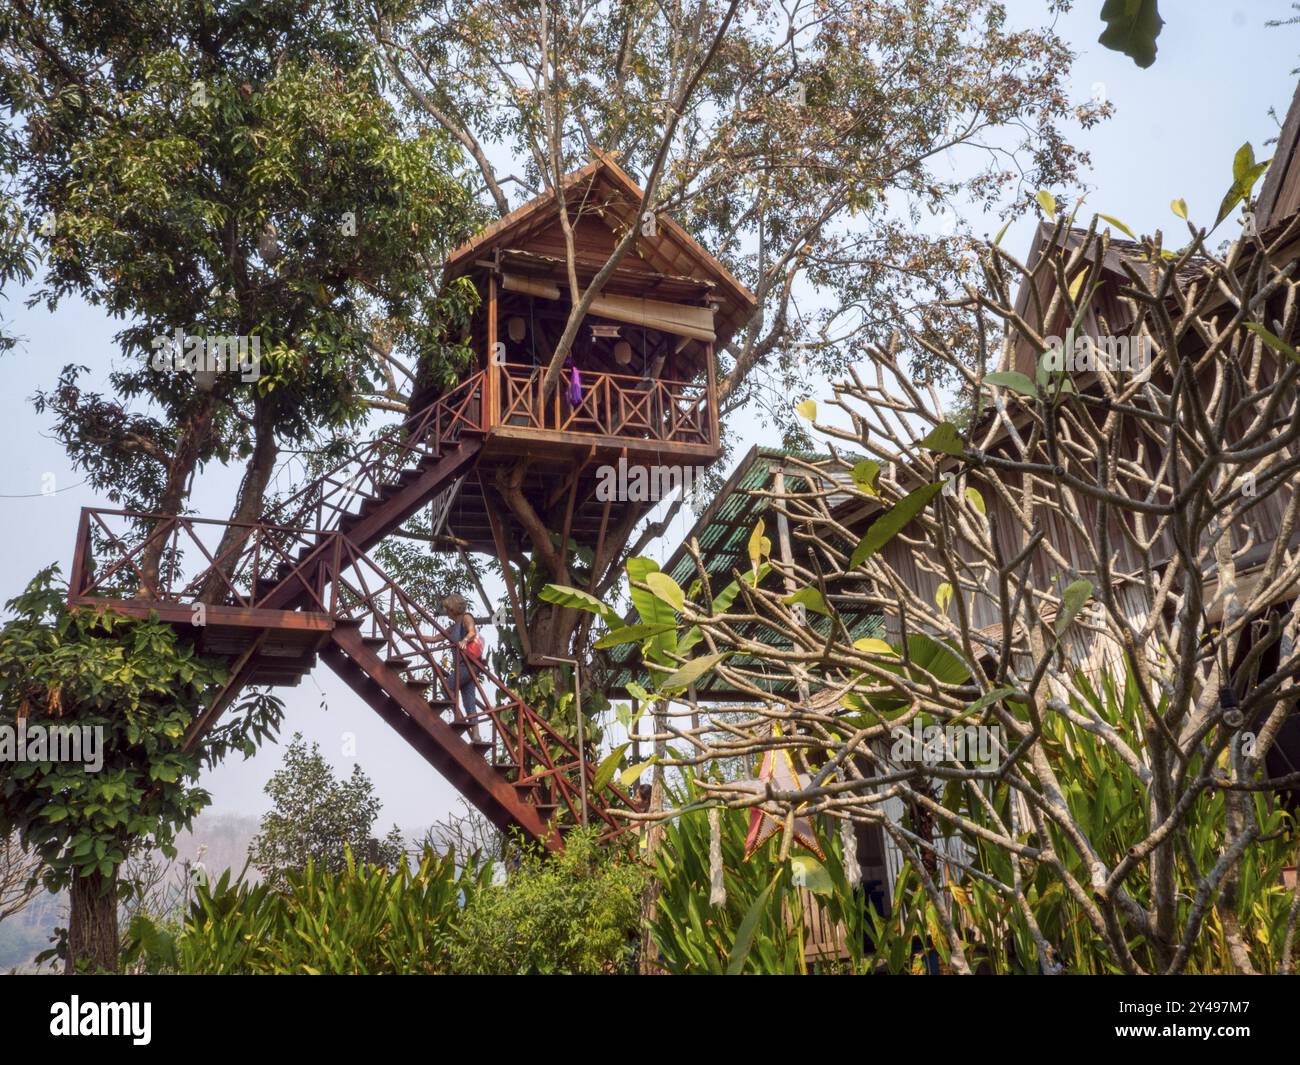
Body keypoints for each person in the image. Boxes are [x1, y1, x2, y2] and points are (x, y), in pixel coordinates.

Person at [441, 594, 483, 731]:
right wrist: (413, 636)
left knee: (448, 686)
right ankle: (476, 735)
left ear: (453, 608)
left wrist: (464, 641)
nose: (446, 612)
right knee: (469, 700)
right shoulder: (453, 627)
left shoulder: (467, 617)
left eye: (448, 608)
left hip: (469, 664)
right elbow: (435, 638)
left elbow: (472, 632)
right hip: (462, 666)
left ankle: (457, 716)